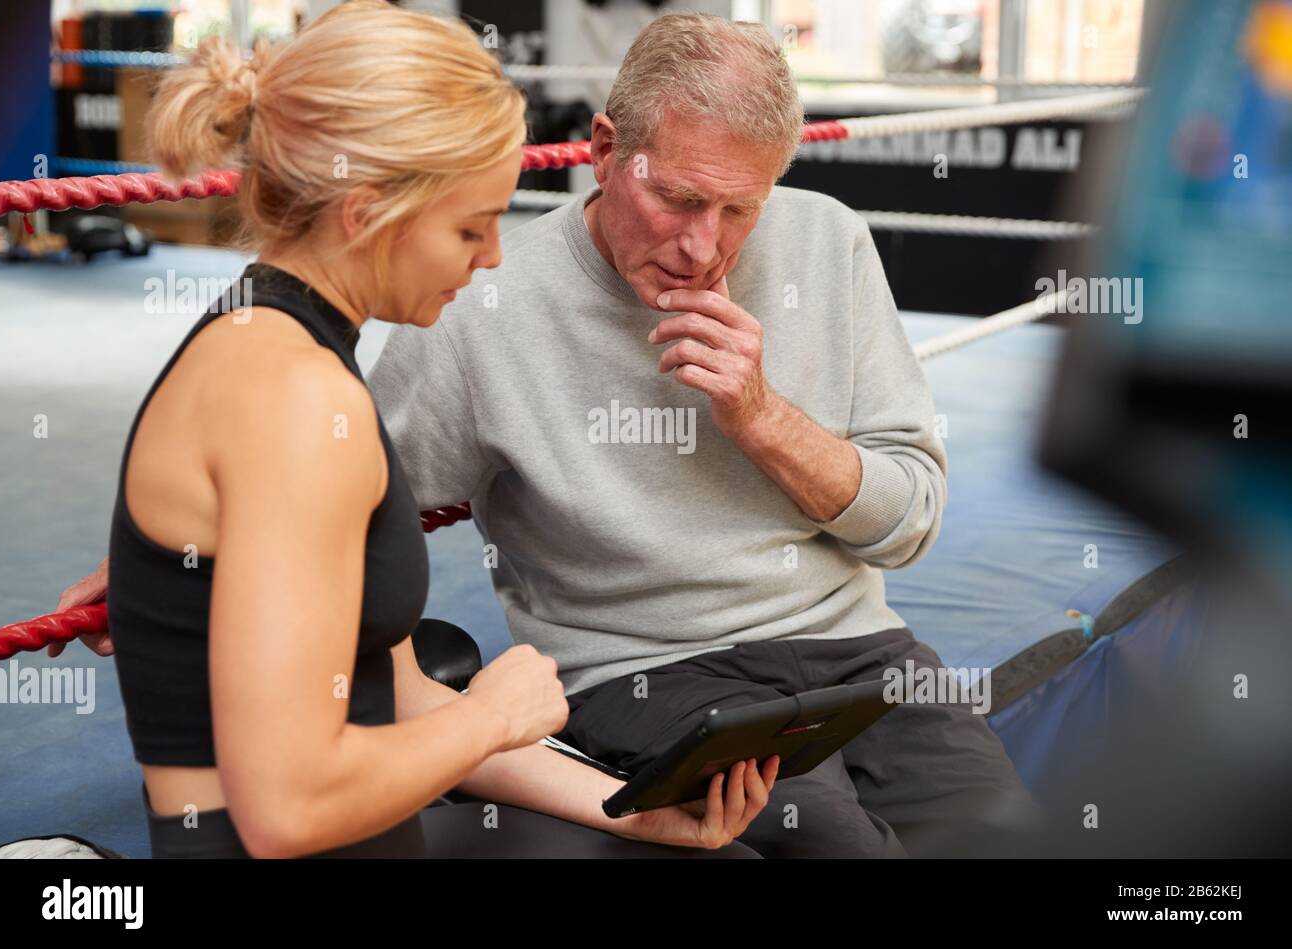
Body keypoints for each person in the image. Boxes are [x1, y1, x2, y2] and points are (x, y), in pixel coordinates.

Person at [57, 0, 774, 859]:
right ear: (366, 214)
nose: (493, 255)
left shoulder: (283, 344)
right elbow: (284, 810)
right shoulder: (291, 398)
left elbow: (401, 695)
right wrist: (490, 716)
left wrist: (636, 809)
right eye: (470, 226)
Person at [365, 13, 1042, 857]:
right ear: (604, 151)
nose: (701, 246)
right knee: (837, 847)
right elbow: (351, 512)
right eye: (679, 199)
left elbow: (910, 526)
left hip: (858, 650)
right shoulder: (485, 307)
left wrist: (762, 417)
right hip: (644, 670)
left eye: (739, 209)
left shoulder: (827, 241)